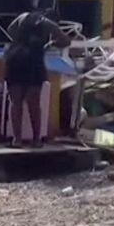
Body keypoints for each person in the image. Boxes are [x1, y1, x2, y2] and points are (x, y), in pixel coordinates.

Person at [4, 9, 70, 147]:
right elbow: (65, 41)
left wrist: (21, 41)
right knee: (33, 104)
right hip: (33, 62)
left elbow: (10, 30)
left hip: (14, 58)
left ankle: (17, 140)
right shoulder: (49, 24)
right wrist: (51, 43)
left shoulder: (23, 16)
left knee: (15, 103)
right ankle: (36, 140)